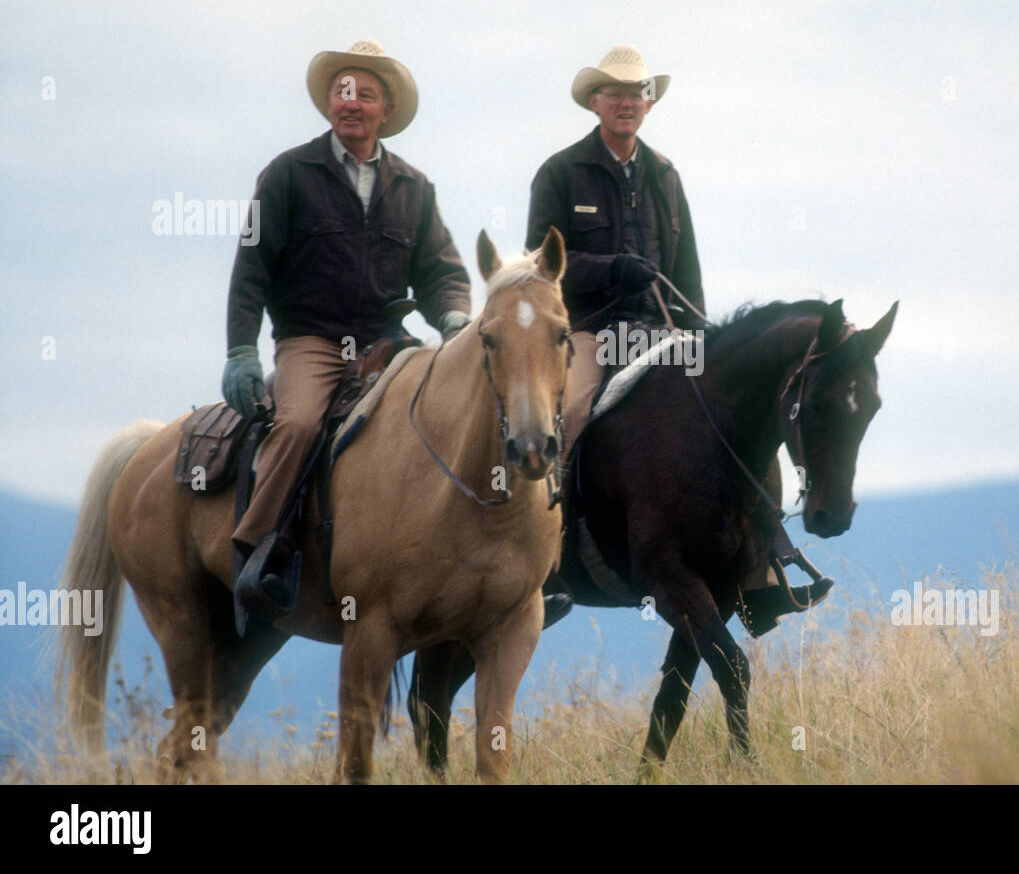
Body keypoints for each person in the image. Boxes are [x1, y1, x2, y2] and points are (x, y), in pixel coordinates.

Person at [525, 44, 830, 635]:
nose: (626, 102)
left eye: (637, 93)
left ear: (649, 103)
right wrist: (612, 268)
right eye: (614, 92)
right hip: (593, 332)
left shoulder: (666, 174)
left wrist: (700, 337)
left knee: (732, 417)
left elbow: (686, 269)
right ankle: (549, 560)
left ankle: (764, 568)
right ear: (595, 101)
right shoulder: (562, 171)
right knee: (576, 409)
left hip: (666, 333)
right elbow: (541, 259)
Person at [222, 39, 473, 615]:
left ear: (385, 110)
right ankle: (265, 549)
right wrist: (241, 349)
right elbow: (251, 270)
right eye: (342, 91)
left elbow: (442, 273)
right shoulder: (288, 174)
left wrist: (455, 315)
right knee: (299, 423)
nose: (351, 102)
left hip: (390, 343)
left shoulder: (415, 187)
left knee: (457, 416)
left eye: (365, 94)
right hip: (312, 340)